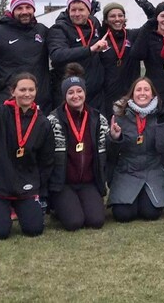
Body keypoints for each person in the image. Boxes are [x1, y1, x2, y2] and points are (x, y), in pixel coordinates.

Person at [0, 72, 54, 240]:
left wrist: (39, 188)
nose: (27, 94)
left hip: (25, 186)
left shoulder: (42, 122)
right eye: (22, 90)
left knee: (34, 229)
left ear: (36, 91)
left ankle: (16, 208)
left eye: (31, 89)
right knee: (0, 233)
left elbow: (46, 159)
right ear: (13, 92)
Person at [46, 63, 109, 231]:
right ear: (64, 95)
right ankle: (58, 206)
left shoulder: (98, 118)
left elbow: (109, 150)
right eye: (70, 92)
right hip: (63, 183)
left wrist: (116, 137)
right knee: (74, 223)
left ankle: (81, 203)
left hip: (89, 182)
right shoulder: (53, 120)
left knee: (96, 221)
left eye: (79, 91)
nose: (76, 96)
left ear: (85, 93)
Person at [107, 77, 164, 222]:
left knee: (151, 214)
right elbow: (111, 154)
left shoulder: (160, 115)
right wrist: (114, 138)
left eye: (146, 89)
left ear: (153, 94)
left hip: (152, 170)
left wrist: (162, 125)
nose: (142, 93)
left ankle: (146, 197)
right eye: (139, 90)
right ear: (132, 94)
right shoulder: (120, 116)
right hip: (127, 171)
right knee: (123, 215)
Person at [48, 0, 109, 109]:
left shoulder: (94, 23)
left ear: (89, 10)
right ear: (68, 10)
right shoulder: (59, 29)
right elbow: (57, 55)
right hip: (71, 95)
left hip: (95, 94)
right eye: (73, 10)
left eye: (81, 9)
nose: (77, 14)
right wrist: (89, 50)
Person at [98, 2, 144, 120]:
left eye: (120, 15)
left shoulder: (132, 35)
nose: (117, 19)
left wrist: (148, 10)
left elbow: (151, 26)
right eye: (112, 16)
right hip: (108, 94)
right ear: (106, 20)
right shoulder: (101, 38)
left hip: (130, 92)